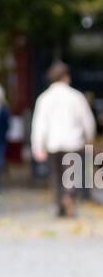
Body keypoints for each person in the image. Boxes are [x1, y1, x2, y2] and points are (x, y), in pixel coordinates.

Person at [31, 60, 96, 217]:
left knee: (56, 175)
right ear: (66, 77)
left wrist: (38, 146)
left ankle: (59, 203)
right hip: (73, 142)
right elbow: (87, 120)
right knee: (71, 175)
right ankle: (69, 198)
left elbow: (39, 124)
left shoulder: (44, 98)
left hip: (53, 143)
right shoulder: (76, 97)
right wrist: (89, 138)